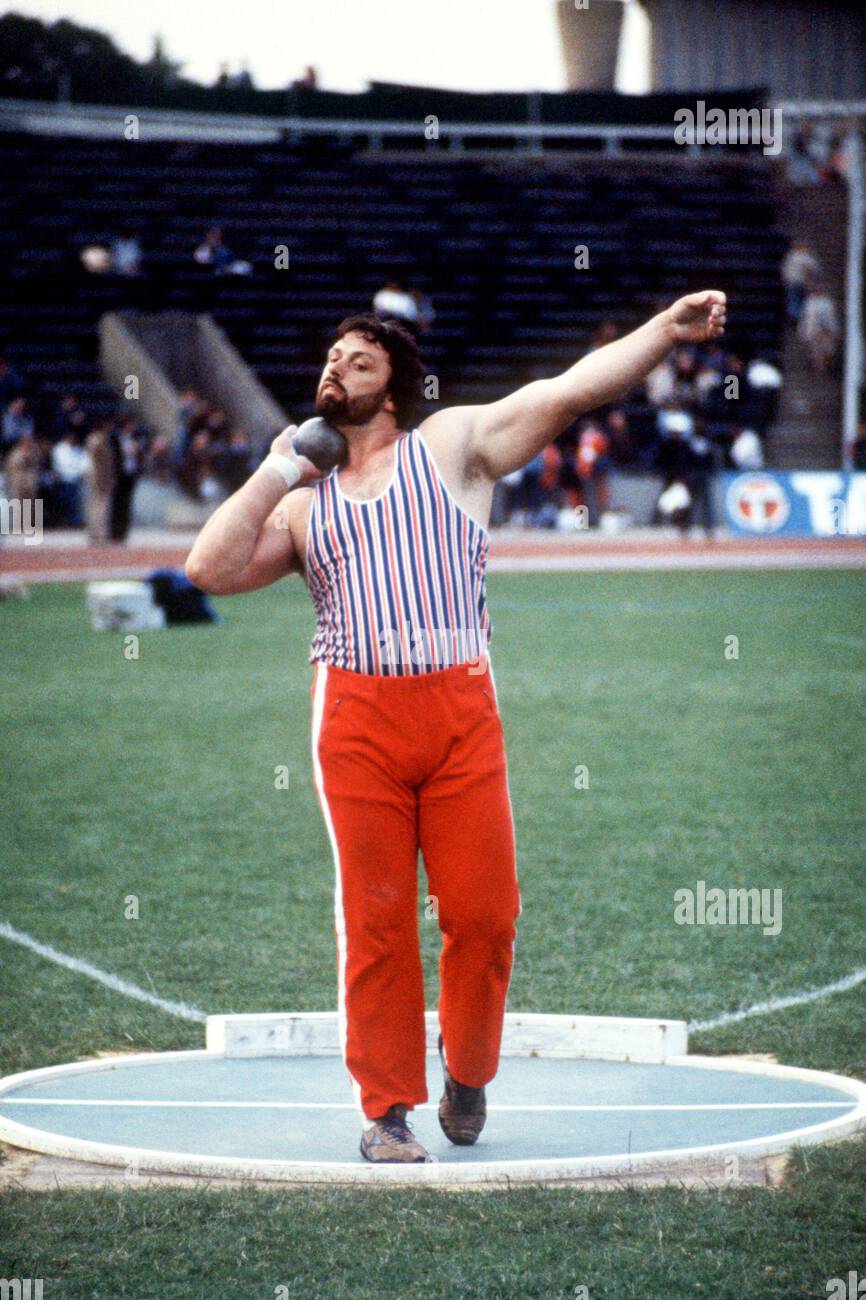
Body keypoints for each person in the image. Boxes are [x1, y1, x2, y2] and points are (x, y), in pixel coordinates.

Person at [185, 289, 727, 1163]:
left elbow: (568, 391)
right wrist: (283, 465)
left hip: (458, 708)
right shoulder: (300, 503)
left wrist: (664, 332)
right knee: (377, 917)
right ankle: (386, 1110)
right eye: (331, 359)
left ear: (394, 391)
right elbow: (206, 568)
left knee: (484, 914)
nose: (336, 368)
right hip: (355, 716)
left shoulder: (451, 449)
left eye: (358, 362)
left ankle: (467, 1071)